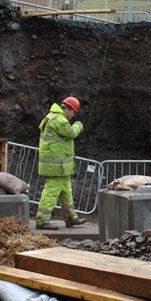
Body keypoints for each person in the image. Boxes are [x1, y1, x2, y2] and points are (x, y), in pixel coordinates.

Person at [35, 96, 87, 230]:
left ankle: (70, 218)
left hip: (60, 166)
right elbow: (70, 133)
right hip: (55, 166)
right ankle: (42, 221)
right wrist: (78, 125)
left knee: (66, 192)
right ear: (68, 109)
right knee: (51, 191)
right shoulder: (59, 119)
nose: (73, 116)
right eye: (73, 113)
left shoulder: (52, 116)